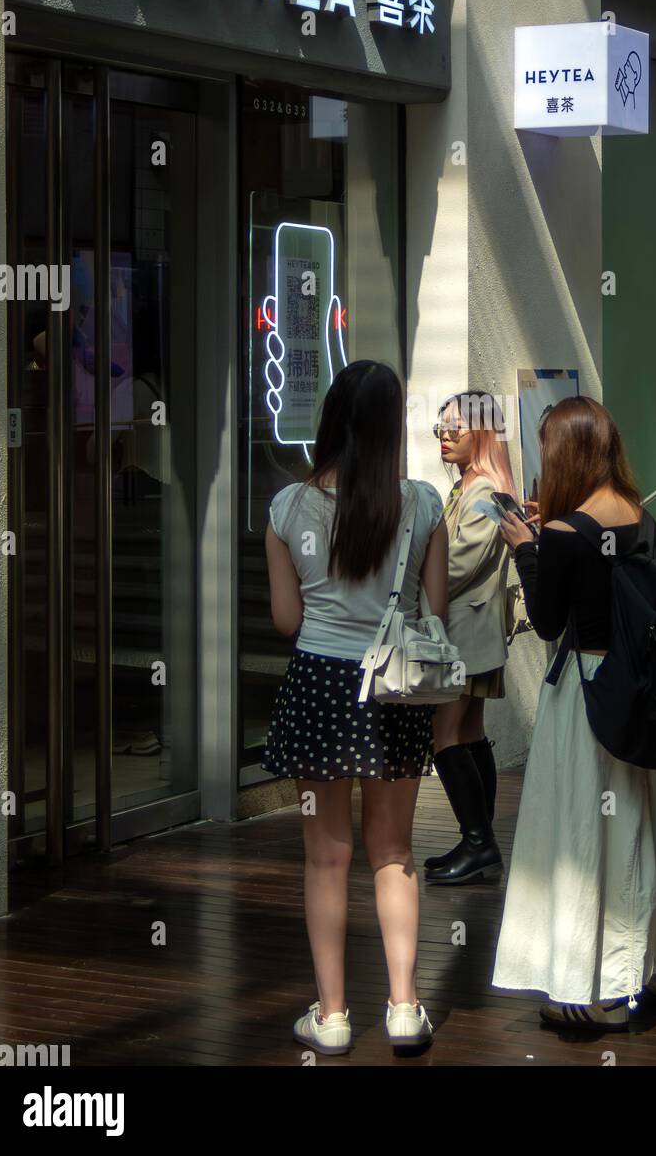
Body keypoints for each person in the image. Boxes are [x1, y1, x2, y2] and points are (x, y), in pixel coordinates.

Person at [262, 360, 449, 1056]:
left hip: (318, 687)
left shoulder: (287, 509)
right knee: (394, 852)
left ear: (330, 417)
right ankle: (404, 1007)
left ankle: (332, 1015)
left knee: (325, 858)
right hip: (393, 690)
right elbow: (434, 611)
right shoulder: (422, 504)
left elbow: (287, 619)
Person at [491, 396, 656, 1029]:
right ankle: (654, 964)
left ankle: (588, 986)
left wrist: (526, 547)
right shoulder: (643, 519)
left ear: (566, 453)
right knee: (640, 826)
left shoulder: (564, 534)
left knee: (580, 833)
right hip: (638, 694)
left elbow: (549, 623)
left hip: (584, 692)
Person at [423, 392, 515, 885]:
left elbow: (455, 567)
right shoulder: (475, 487)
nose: (445, 434)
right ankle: (478, 842)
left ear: (481, 433)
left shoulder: (481, 492)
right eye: (442, 426)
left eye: (456, 427)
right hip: (473, 634)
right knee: (471, 733)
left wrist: (413, 576)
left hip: (465, 635)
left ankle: (479, 843)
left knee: (446, 738)